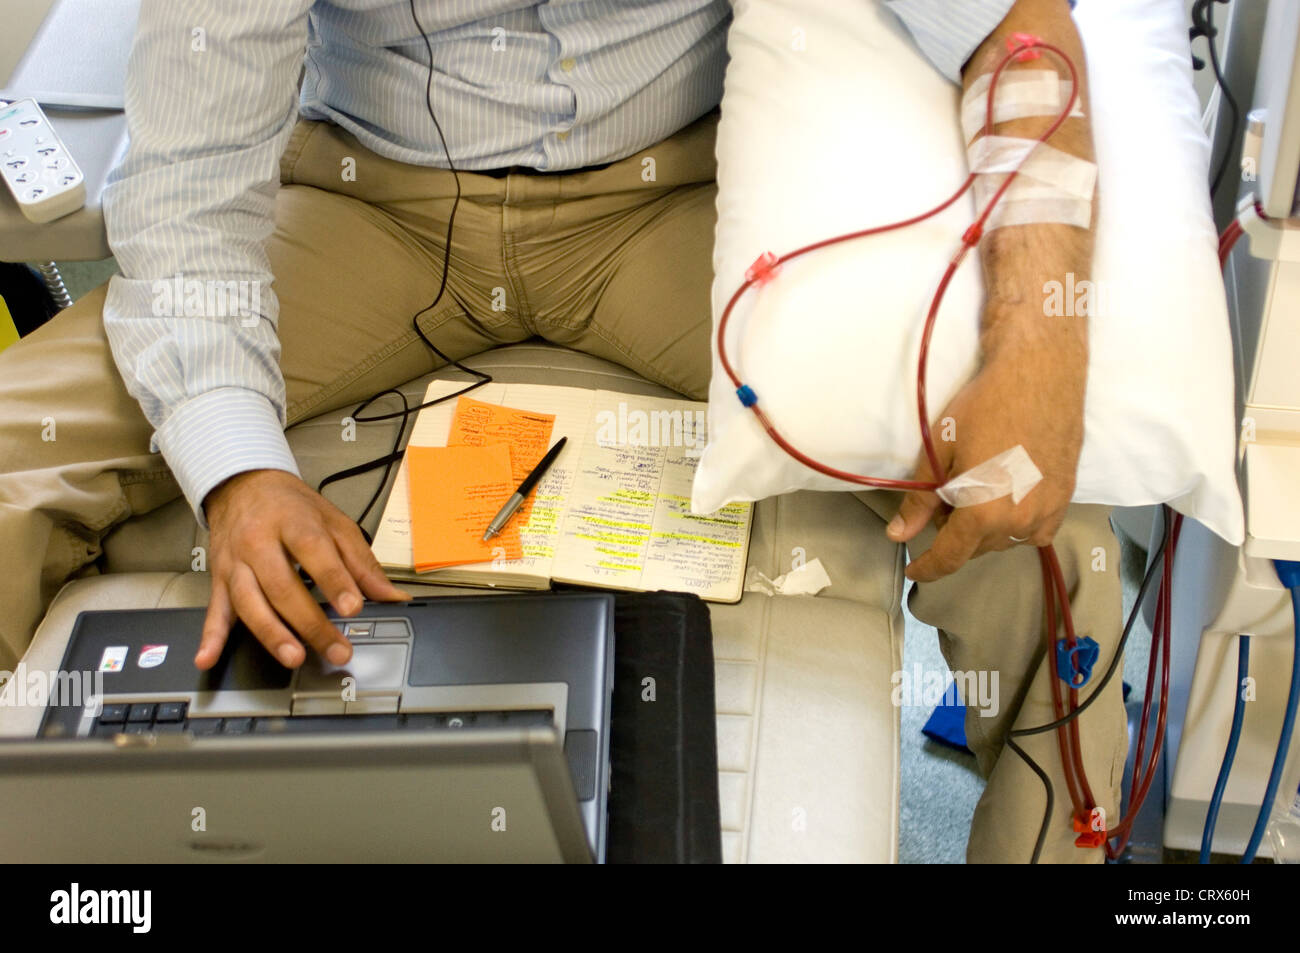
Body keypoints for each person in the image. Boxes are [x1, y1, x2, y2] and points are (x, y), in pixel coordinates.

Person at [0, 0, 1123, 863]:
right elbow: (191, 175)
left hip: (674, 197)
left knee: (1043, 513)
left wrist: (1041, 349)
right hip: (368, 197)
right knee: (18, 445)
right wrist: (236, 463)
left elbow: (1022, 34)